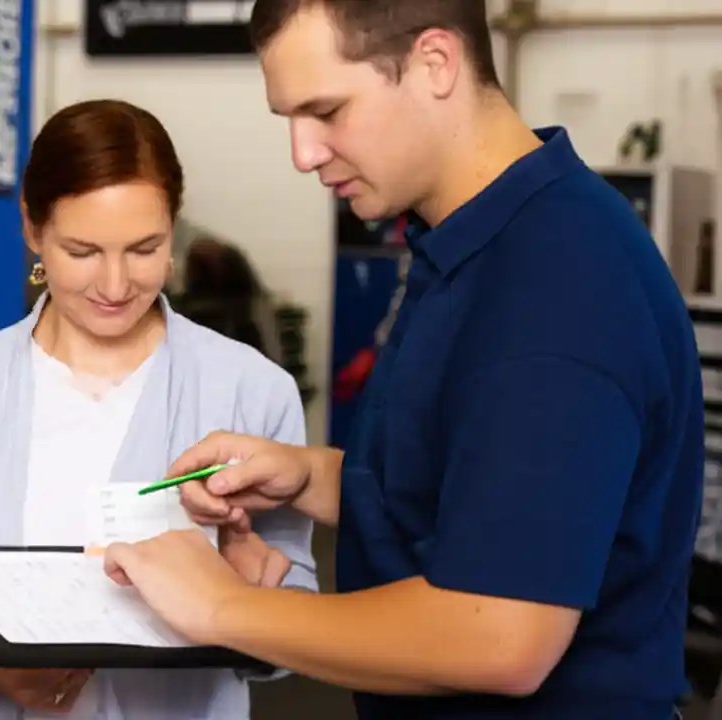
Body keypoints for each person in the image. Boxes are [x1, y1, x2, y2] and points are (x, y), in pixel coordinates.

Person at [103, 2, 704, 719]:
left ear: (435, 63)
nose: (303, 153)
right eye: (289, 119)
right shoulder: (469, 243)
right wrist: (310, 476)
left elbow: (500, 637)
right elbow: (472, 495)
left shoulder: (555, 284)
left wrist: (219, 607)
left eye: (327, 111)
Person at [0, 98, 318, 719]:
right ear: (33, 229)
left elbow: (298, 614)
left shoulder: (250, 390)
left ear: (174, 227)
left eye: (144, 249)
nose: (115, 286)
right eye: (83, 251)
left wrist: (247, 606)